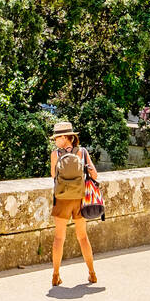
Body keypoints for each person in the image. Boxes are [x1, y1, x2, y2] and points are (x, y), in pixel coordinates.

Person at [48, 121, 98, 287]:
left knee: (59, 238)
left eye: (57, 138)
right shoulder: (82, 152)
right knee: (83, 237)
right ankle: (92, 273)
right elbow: (95, 175)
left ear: (64, 137)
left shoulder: (55, 154)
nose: (55, 141)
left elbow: (53, 176)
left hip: (62, 199)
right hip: (79, 199)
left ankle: (56, 275)